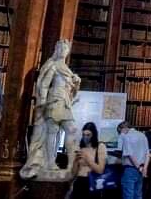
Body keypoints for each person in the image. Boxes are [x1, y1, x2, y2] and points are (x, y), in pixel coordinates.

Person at [20, 39, 81, 180]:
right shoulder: (53, 65)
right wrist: (42, 102)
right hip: (54, 101)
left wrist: (76, 82)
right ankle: (50, 162)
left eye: (65, 49)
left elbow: (71, 89)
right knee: (52, 132)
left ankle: (71, 163)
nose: (63, 51)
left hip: (65, 102)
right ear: (57, 50)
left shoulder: (66, 68)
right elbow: (43, 84)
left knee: (71, 129)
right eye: (61, 48)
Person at [72, 122, 108, 199]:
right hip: (79, 182)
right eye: (83, 135)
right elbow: (74, 173)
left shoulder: (100, 146)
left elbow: (100, 170)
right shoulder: (80, 147)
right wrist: (75, 161)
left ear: (93, 135)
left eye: (88, 135)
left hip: (92, 182)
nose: (85, 137)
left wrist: (87, 159)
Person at [118, 120, 150, 199]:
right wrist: (144, 168)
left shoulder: (126, 137)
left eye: (120, 132)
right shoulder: (143, 135)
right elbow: (148, 154)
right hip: (141, 170)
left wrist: (138, 167)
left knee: (128, 195)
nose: (120, 134)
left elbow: (130, 155)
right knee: (138, 195)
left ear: (124, 128)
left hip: (130, 170)